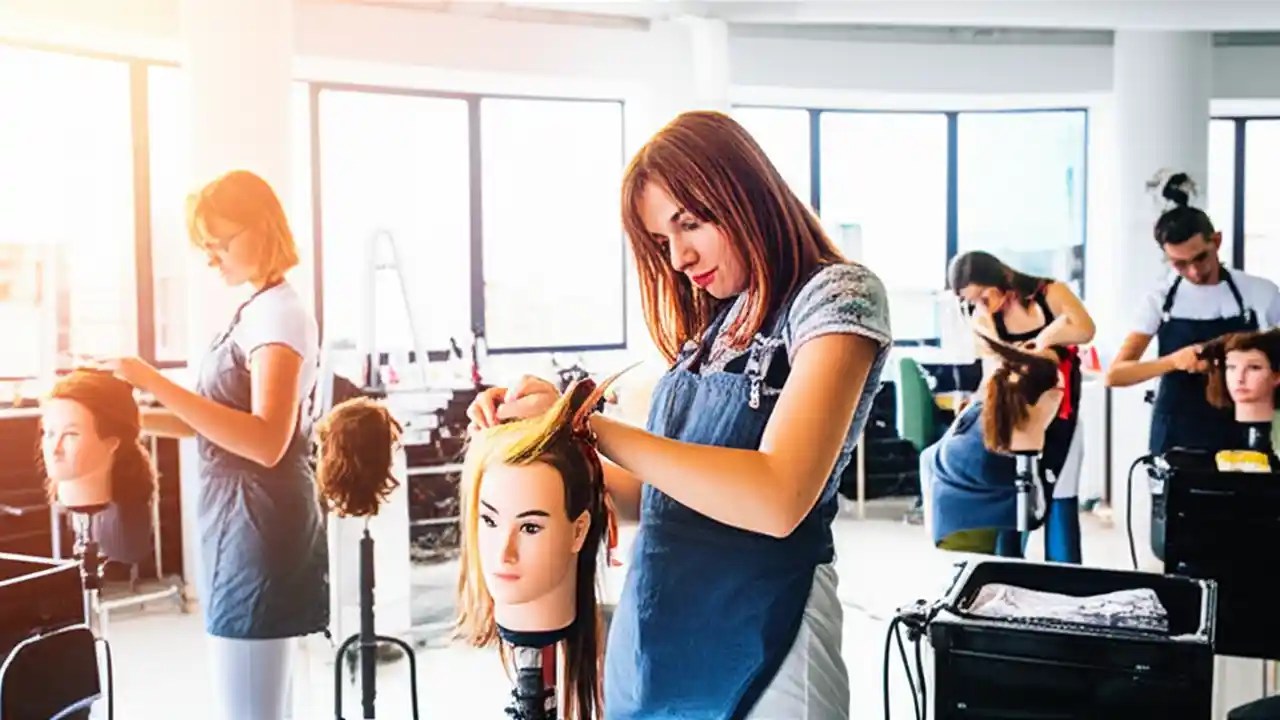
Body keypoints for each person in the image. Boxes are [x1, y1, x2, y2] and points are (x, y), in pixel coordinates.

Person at [467, 110, 892, 719]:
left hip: (769, 644)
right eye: (663, 241)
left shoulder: (836, 297)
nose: (680, 257)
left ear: (744, 192)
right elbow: (656, 496)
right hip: (659, 637)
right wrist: (539, 441)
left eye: (690, 224)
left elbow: (778, 496)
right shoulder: (710, 330)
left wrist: (590, 425)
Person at [90, 169, 328, 719]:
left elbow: (267, 440)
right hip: (238, 522)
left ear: (262, 228)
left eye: (221, 242)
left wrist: (152, 380)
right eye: (207, 246)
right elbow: (218, 425)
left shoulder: (280, 316)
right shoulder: (257, 308)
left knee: (249, 709)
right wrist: (131, 417)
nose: (212, 257)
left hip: (259, 526)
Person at [1105, 172, 1280, 560]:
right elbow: (1116, 374)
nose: (1194, 271)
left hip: (1243, 428)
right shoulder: (1158, 301)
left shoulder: (1260, 294)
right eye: (1179, 264)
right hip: (1178, 428)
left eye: (1201, 257)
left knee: (1246, 534)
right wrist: (1173, 361)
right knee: (1181, 537)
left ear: (1217, 241)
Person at [948, 250, 1094, 563]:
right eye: (973, 302)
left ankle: (1067, 587)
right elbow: (991, 370)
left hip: (1060, 412)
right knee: (1011, 506)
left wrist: (1043, 339)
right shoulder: (984, 318)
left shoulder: (1050, 294)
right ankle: (1006, 578)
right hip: (1015, 419)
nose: (981, 306)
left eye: (984, 297)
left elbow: (1085, 329)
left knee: (1060, 504)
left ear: (1001, 278)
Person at [921, 334, 1066, 557]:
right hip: (971, 527)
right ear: (1053, 393)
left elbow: (927, 457)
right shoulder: (1018, 438)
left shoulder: (985, 409)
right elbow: (1034, 511)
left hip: (948, 517)